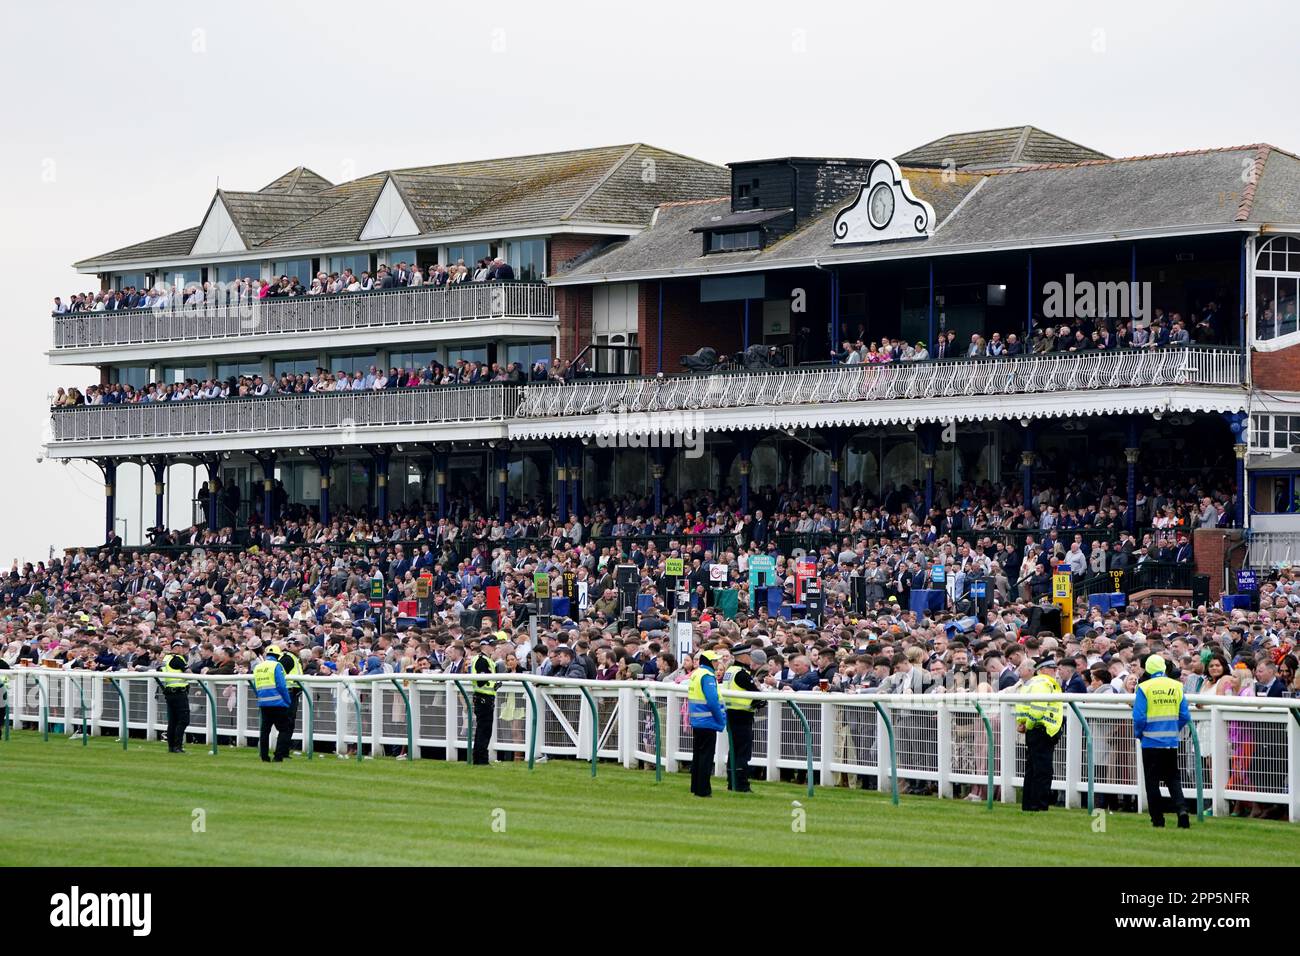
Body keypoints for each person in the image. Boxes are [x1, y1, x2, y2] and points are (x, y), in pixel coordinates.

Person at [1132, 653, 1191, 828]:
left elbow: (1140, 717)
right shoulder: (1177, 686)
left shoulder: (1144, 687)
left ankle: (1157, 819)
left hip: (1150, 742)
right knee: (1173, 778)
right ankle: (1182, 810)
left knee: (1152, 782)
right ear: (1164, 668)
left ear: (1147, 670)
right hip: (1171, 741)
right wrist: (1174, 730)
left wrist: (1139, 734)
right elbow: (1185, 715)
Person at [1014, 657, 1063, 811]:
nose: (1055, 671)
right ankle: (1039, 805)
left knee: (1032, 769)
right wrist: (1028, 724)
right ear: (1042, 669)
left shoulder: (1031, 683)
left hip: (1034, 730)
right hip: (1042, 729)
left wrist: (1023, 723)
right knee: (1042, 770)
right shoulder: (1044, 683)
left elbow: (1021, 708)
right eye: (1052, 668)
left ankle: (1029, 804)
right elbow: (1038, 708)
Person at [721, 643, 763, 792]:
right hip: (742, 716)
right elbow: (758, 696)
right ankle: (741, 784)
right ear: (744, 657)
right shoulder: (741, 674)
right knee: (742, 753)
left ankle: (732, 782)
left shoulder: (730, 671)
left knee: (734, 751)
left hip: (731, 715)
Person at [687, 648, 726, 797]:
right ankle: (703, 790)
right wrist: (720, 719)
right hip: (707, 720)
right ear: (710, 662)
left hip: (697, 720)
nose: (718, 663)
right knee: (705, 757)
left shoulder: (696, 673)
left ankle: (695, 787)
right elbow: (712, 700)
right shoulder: (708, 676)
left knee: (697, 755)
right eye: (716, 660)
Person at [254, 645, 294, 762]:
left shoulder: (258, 667)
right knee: (284, 729)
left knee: (265, 731)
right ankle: (278, 756)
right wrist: (288, 701)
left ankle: (264, 756)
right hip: (278, 703)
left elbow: (256, 686)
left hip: (263, 703)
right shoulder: (277, 665)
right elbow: (281, 686)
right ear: (277, 655)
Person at [467, 637, 498, 764]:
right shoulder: (481, 660)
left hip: (485, 698)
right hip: (483, 699)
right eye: (492, 645)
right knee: (483, 730)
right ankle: (481, 760)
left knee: (484, 730)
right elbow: (481, 681)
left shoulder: (486, 660)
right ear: (484, 646)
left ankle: (480, 758)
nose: (494, 647)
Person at [160, 639, 191, 753]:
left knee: (172, 721)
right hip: (179, 692)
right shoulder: (178, 658)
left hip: (169, 693)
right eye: (182, 647)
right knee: (183, 720)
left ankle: (171, 747)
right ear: (176, 647)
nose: (183, 649)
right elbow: (188, 673)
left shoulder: (166, 658)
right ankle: (178, 746)